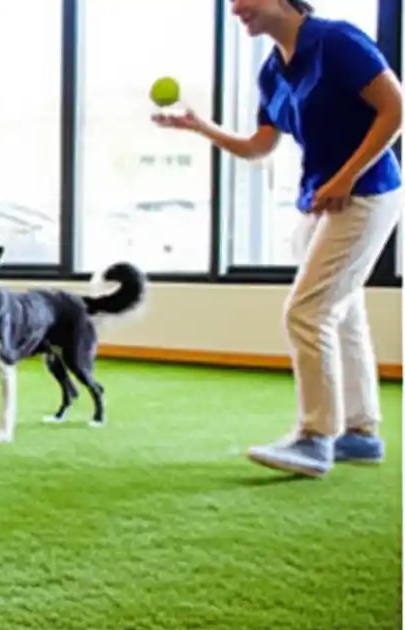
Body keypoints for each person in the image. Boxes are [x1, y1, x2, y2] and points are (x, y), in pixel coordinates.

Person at [153, 0, 402, 477]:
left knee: (307, 311)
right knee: (341, 312)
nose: (235, 9)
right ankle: (360, 432)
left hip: (368, 193)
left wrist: (347, 178)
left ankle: (314, 438)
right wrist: (198, 126)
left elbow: (395, 109)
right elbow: (258, 147)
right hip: (322, 198)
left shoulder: (336, 41)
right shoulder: (272, 71)